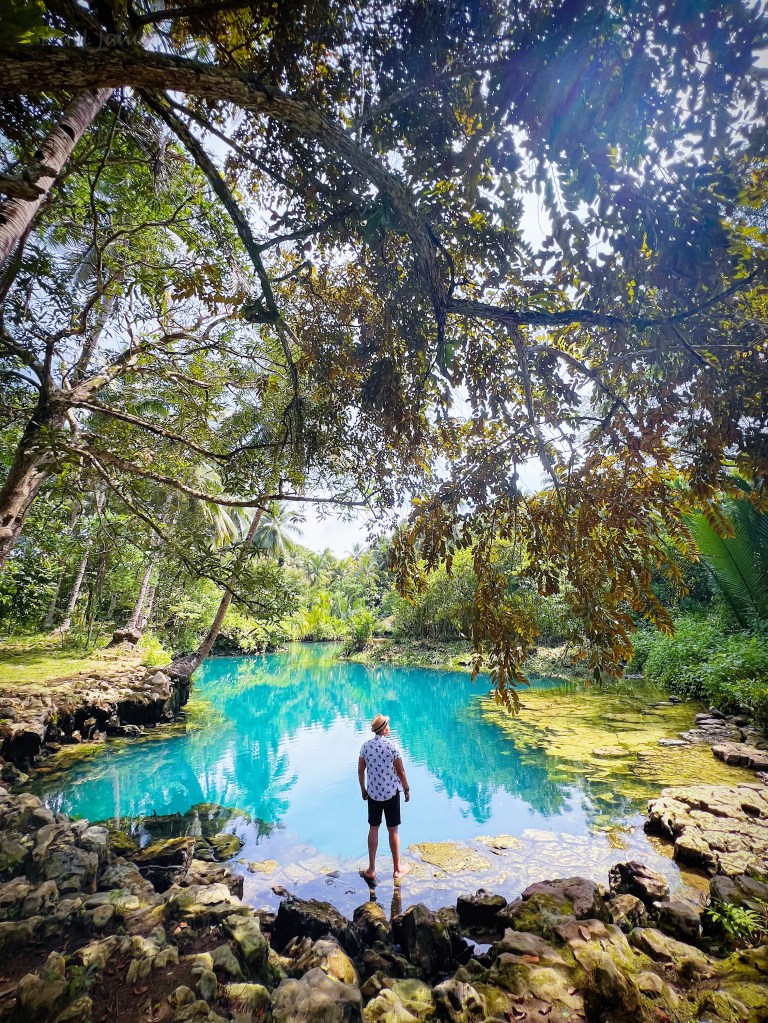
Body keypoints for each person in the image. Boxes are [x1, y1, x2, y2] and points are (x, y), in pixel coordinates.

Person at [358, 712, 411, 882]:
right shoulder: (392, 746)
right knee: (393, 830)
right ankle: (397, 869)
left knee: (373, 828)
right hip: (391, 794)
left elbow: (360, 770)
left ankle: (371, 870)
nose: (389, 727)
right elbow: (401, 771)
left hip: (373, 795)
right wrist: (406, 788)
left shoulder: (365, 747)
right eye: (388, 725)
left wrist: (363, 790)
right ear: (384, 729)